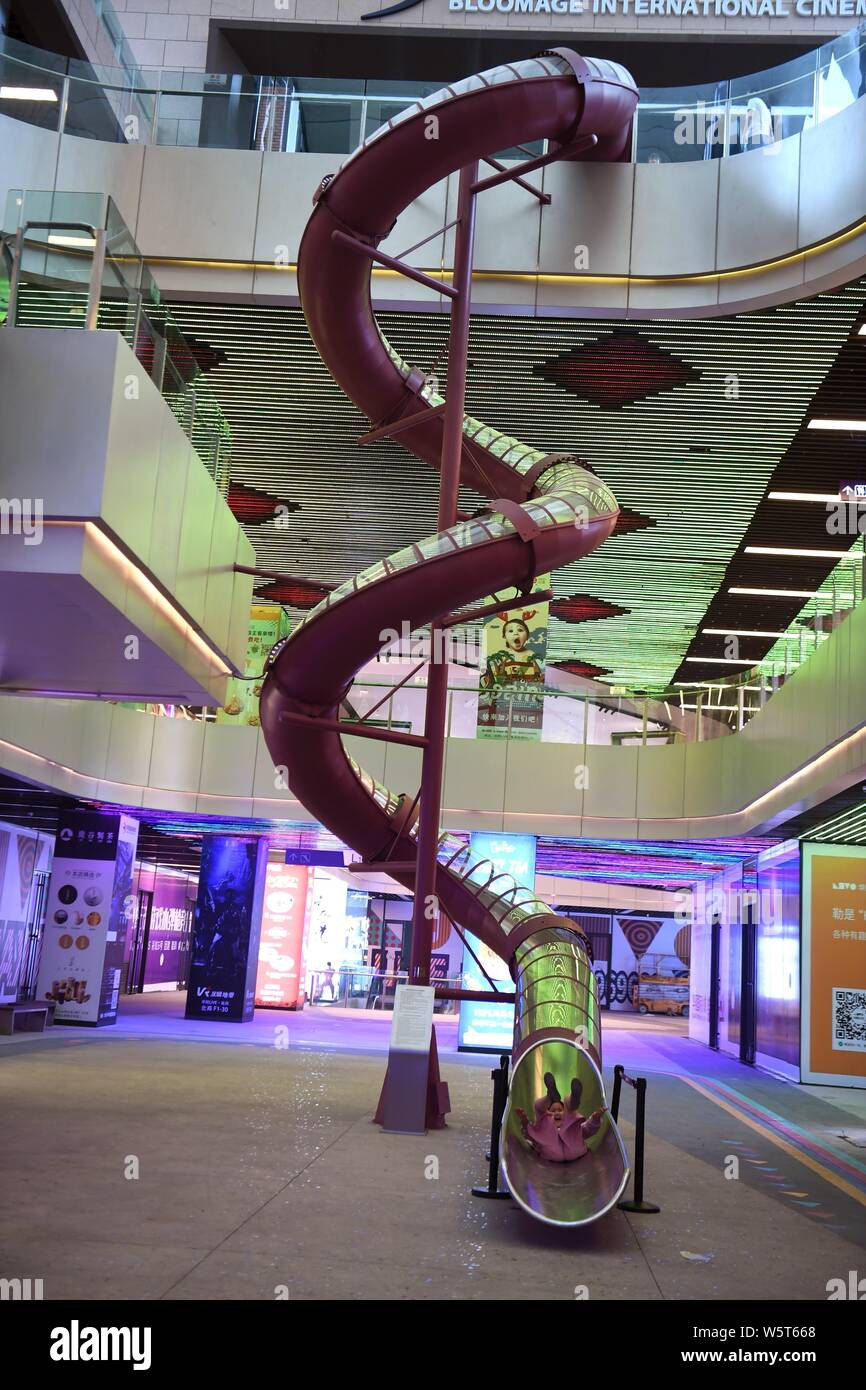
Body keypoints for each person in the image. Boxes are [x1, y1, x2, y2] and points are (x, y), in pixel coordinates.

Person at [515, 1072, 606, 1163]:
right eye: (553, 1111)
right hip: (551, 1148)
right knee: (539, 1109)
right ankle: (549, 1096)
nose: (556, 1113)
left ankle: (572, 1102)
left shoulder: (574, 1127)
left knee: (569, 1113)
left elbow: (589, 1128)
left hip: (575, 1148)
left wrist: (595, 1118)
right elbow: (530, 1135)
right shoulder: (545, 1126)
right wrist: (524, 1120)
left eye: (560, 1110)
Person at [480, 614, 544, 689]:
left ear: (527, 636)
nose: (516, 633)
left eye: (520, 630)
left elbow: (540, 674)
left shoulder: (532, 654)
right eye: (510, 631)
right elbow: (494, 675)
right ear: (504, 636)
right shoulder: (502, 655)